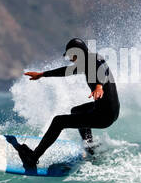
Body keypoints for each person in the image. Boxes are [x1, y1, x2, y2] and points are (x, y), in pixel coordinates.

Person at [11, 38, 119, 171]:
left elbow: (102, 70)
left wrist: (99, 86)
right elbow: (65, 71)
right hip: (110, 110)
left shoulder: (95, 62)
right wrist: (42, 75)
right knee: (76, 111)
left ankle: (32, 158)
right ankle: (91, 148)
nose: (70, 59)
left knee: (58, 121)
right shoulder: (86, 61)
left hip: (104, 115)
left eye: (71, 56)